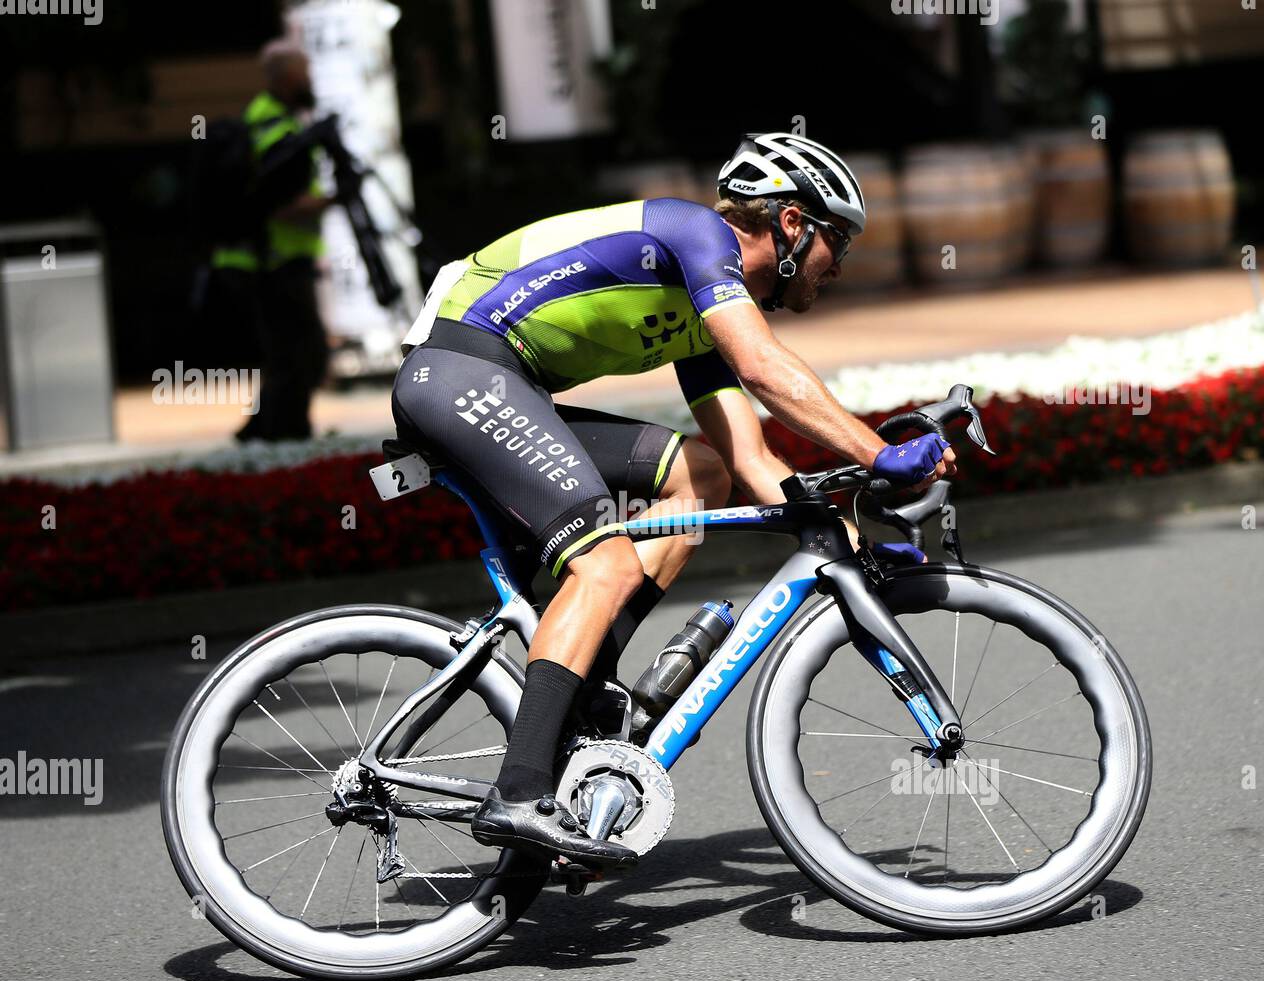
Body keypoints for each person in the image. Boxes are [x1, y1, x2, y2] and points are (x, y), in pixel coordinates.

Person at [391, 132, 956, 869]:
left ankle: (590, 690)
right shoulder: (697, 236)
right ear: (792, 224)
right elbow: (764, 368)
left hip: (498, 389)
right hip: (461, 375)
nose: (839, 267)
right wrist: (877, 453)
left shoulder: (701, 314)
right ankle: (520, 792)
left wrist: (849, 550)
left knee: (701, 475)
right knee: (605, 566)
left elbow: (752, 460)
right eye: (836, 242)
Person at [211, 39, 333, 443]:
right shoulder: (273, 125)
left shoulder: (276, 118)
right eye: (304, 70)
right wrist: (331, 199)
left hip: (282, 259)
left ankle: (263, 430)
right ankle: (285, 434)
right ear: (285, 77)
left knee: (291, 354)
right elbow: (276, 204)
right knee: (303, 355)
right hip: (276, 260)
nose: (310, 78)